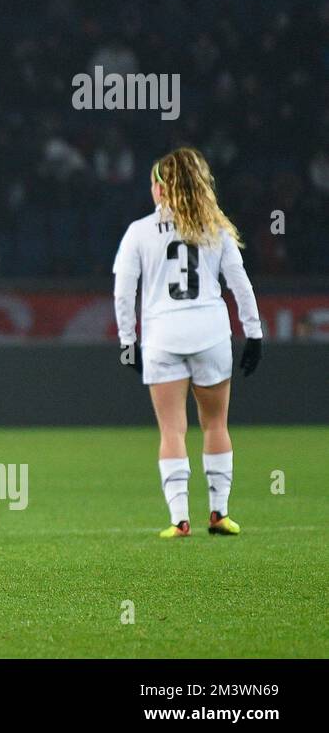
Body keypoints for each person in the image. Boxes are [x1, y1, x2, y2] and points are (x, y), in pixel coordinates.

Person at [113, 147, 262, 539]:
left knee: (172, 431)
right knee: (215, 424)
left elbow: (123, 291)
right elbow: (240, 285)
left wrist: (128, 339)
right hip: (211, 334)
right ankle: (219, 513)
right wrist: (255, 333)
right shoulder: (216, 229)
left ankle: (180, 520)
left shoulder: (139, 232)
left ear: (162, 190)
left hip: (163, 336)